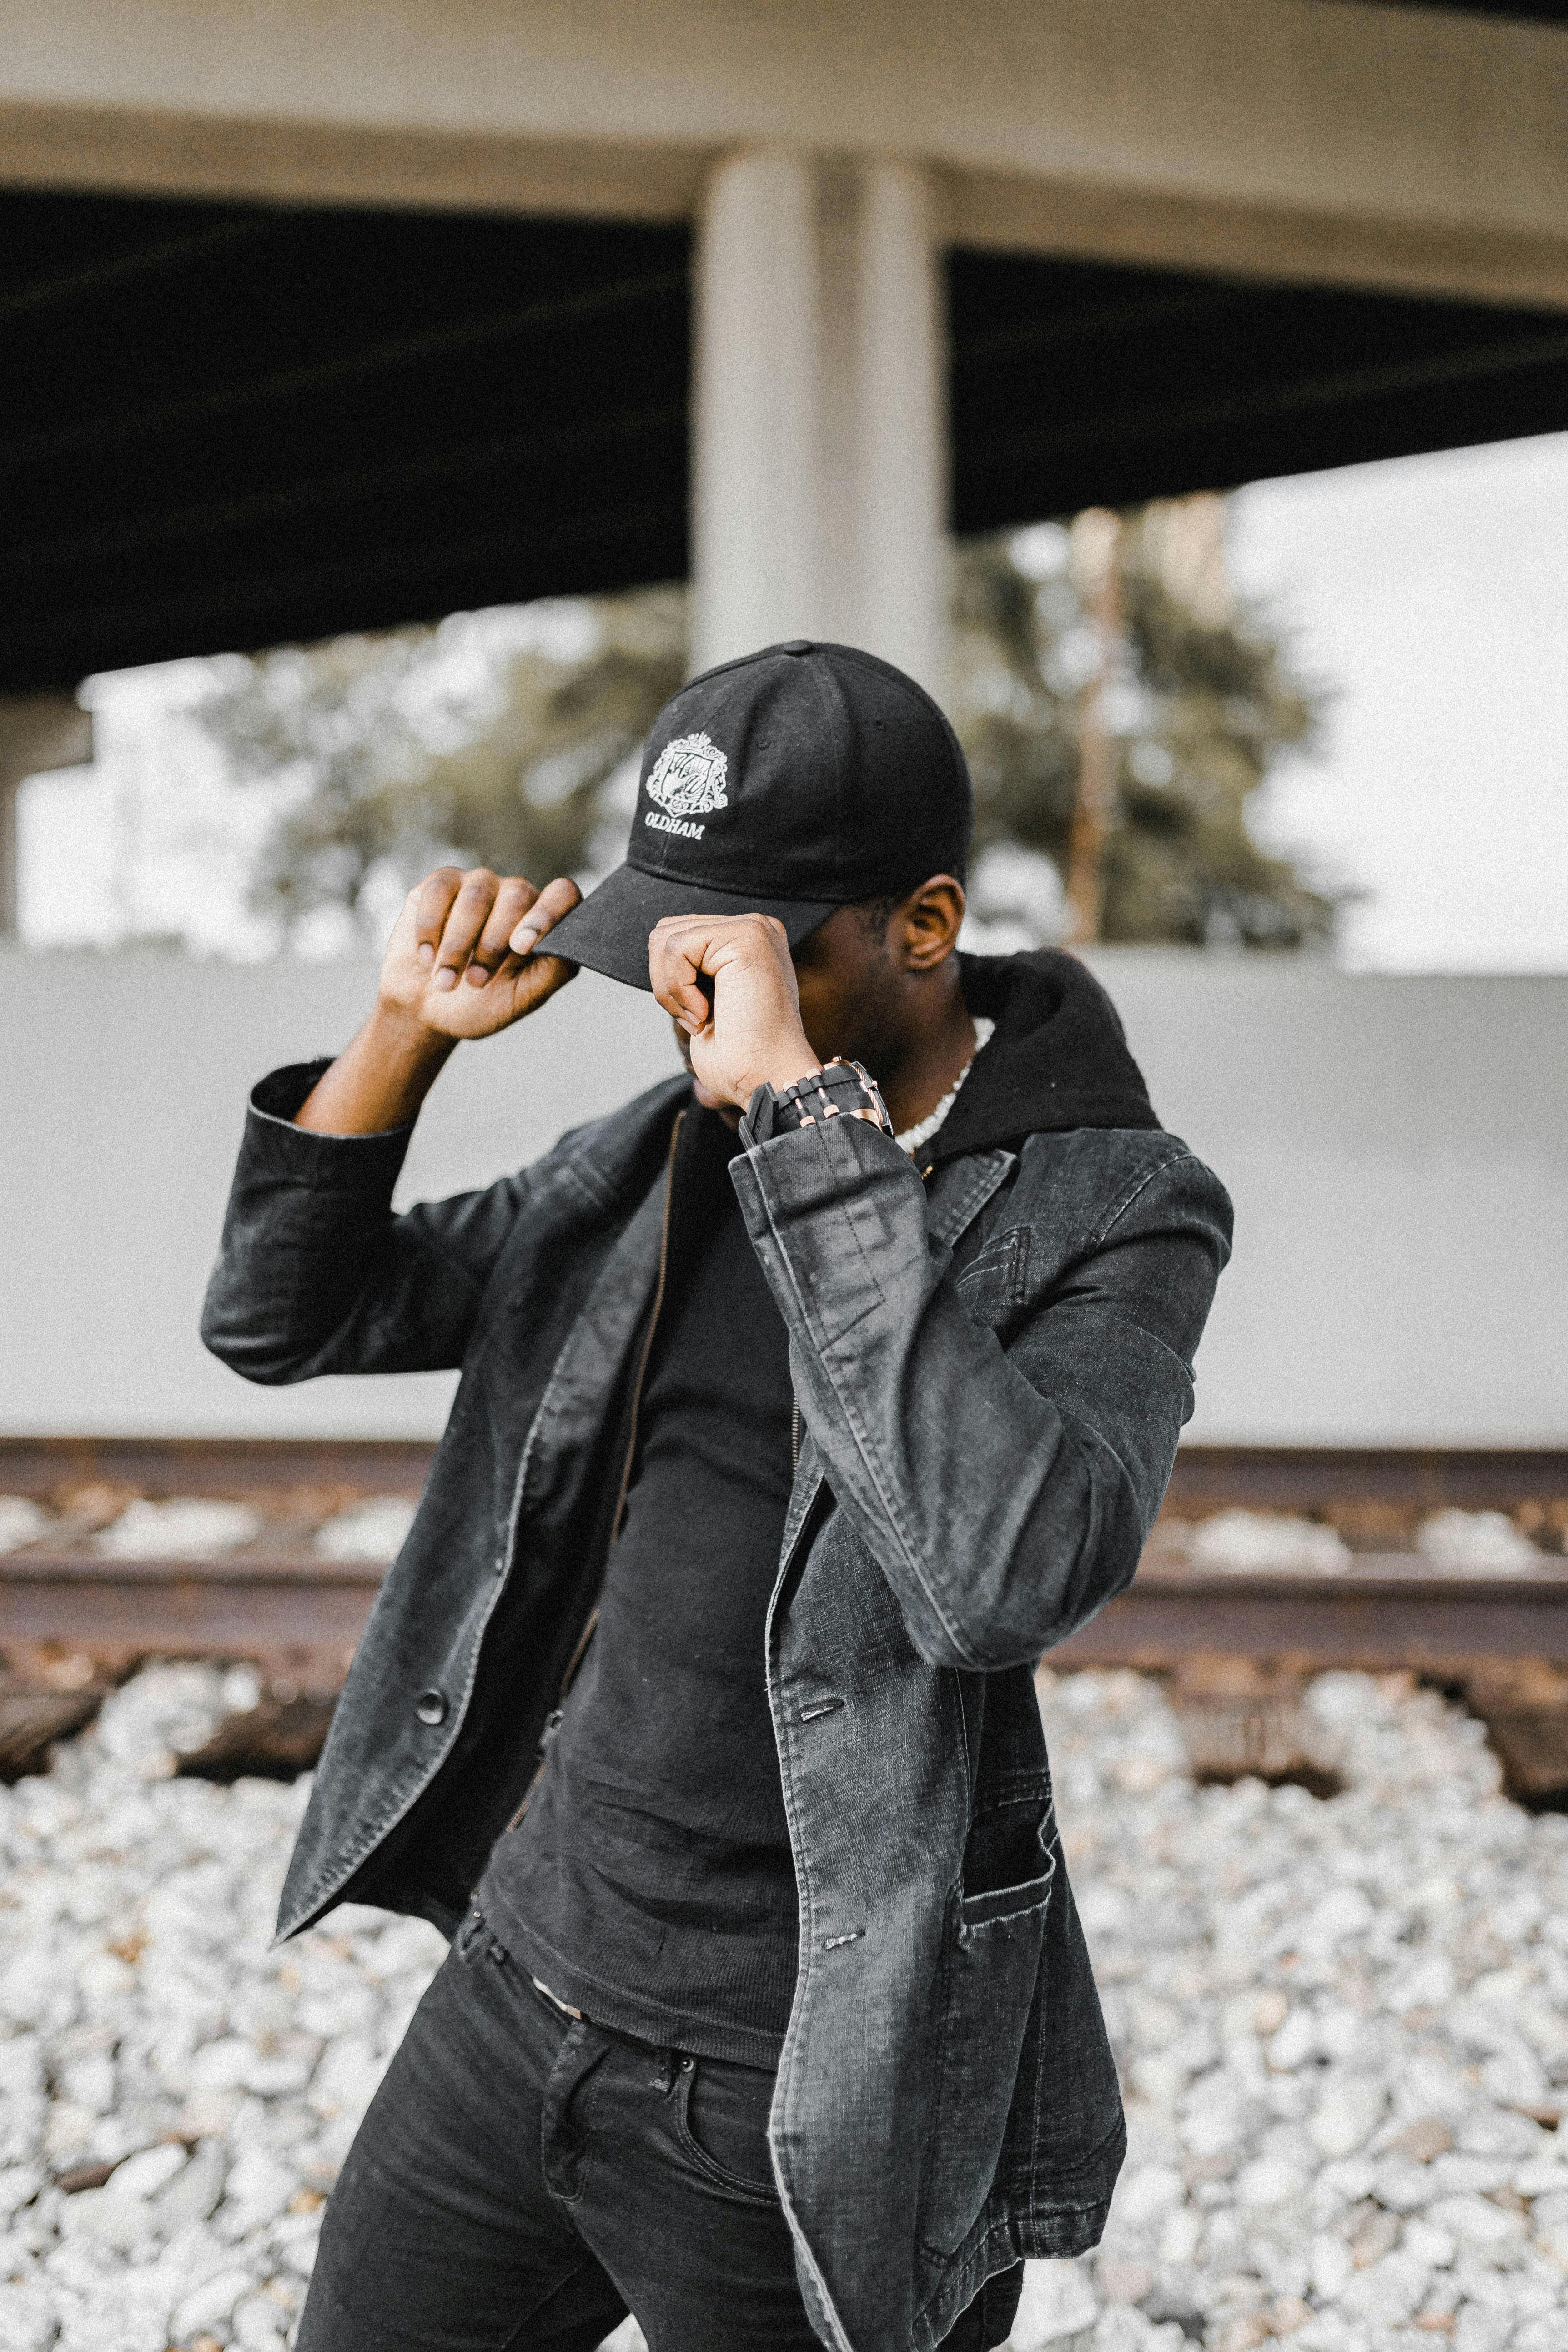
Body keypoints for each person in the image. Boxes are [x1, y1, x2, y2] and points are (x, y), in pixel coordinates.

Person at [202, 639, 1231, 2352]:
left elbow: (1002, 1571)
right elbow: (280, 1316)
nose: (690, 1003)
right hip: (521, 1987)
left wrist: (806, 1129)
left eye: (742, 956)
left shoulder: (1116, 1206)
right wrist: (403, 1034)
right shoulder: (654, 1153)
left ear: (921, 926)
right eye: (669, 949)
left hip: (807, 2080)